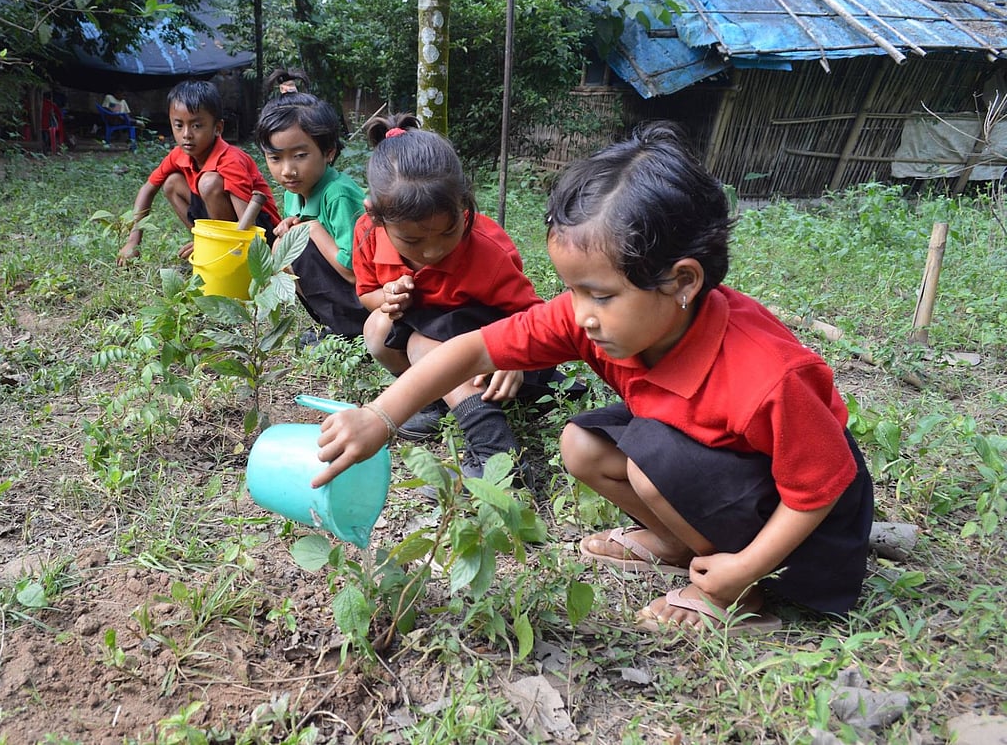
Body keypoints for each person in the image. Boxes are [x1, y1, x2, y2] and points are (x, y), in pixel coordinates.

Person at [313, 122, 874, 634]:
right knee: (582, 444)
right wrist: (381, 415)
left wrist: (745, 569)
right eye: (572, 289)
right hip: (713, 461)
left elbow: (820, 487)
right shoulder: (596, 318)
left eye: (600, 295)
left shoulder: (769, 373)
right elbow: (471, 349)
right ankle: (677, 542)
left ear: (683, 281)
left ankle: (735, 591)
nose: (579, 314)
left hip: (808, 529)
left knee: (650, 461)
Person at [349, 113, 556, 480]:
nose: (432, 251)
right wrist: (388, 298)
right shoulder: (367, 233)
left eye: (448, 233)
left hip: (497, 364)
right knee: (378, 328)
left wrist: (513, 356)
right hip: (438, 343)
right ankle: (434, 402)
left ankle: (497, 453)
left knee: (420, 343)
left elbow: (535, 319)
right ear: (376, 216)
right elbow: (367, 294)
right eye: (413, 240)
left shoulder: (487, 251)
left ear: (464, 205)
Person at [117, 80, 280, 265]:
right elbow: (148, 189)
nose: (186, 134)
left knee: (209, 183)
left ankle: (217, 250)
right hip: (230, 225)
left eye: (196, 126)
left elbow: (248, 222)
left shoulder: (231, 160)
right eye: (179, 125)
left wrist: (219, 243)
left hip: (261, 231)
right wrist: (133, 241)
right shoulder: (178, 155)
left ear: (218, 128)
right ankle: (205, 243)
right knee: (172, 183)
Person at [255, 93, 367, 338]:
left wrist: (312, 229)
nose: (287, 170)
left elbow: (354, 272)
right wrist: (293, 225)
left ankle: (352, 331)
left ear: (328, 152)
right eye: (275, 158)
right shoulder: (293, 194)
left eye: (300, 156)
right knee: (282, 247)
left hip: (371, 300)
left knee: (295, 247)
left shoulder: (338, 195)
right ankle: (333, 325)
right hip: (342, 291)